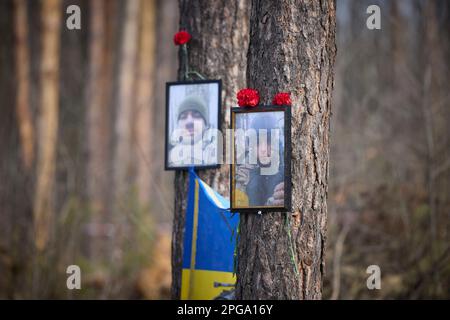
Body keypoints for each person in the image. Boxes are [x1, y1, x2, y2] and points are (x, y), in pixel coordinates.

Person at [234, 113, 285, 207]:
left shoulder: (288, 170)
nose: (263, 149)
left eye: (268, 141)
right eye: (258, 142)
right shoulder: (245, 173)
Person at [168, 95, 217, 167]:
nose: (189, 122)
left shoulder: (217, 154)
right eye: (183, 117)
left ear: (206, 125)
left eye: (196, 115)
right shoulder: (167, 157)